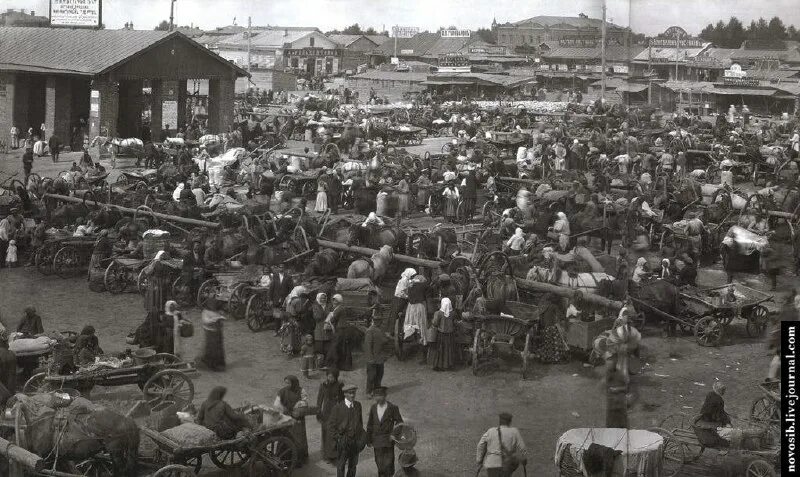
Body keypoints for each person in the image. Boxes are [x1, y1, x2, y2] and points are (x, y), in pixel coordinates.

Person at [366, 386, 404, 477]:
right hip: (377, 441)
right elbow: (370, 424)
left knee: (388, 464)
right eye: (375, 396)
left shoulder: (393, 408)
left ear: (385, 396)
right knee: (379, 464)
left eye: (380, 395)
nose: (377, 398)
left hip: (388, 441)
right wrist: (368, 440)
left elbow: (400, 422)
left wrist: (394, 435)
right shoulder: (373, 408)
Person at [329, 384, 365, 477]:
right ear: (345, 394)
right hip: (343, 442)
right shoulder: (338, 408)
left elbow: (360, 422)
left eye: (354, 393)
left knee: (353, 465)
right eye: (350, 393)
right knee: (341, 465)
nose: (352, 395)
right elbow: (331, 426)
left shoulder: (358, 405)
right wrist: (338, 438)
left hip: (355, 441)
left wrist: (361, 437)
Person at [476, 412, 528, 477]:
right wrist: (524, 460)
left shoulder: (490, 431)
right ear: (510, 422)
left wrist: (479, 461)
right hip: (507, 465)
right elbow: (523, 448)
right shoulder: (514, 431)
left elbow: (480, 445)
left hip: (491, 464)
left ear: (499, 421)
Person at [274, 375, 310, 465]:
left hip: (297, 419)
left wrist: (297, 407)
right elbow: (276, 404)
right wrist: (282, 409)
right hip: (286, 419)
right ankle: (285, 458)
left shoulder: (301, 391)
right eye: (286, 383)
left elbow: (305, 402)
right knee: (286, 437)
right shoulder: (282, 391)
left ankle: (299, 460)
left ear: (294, 383)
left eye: (289, 383)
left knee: (298, 439)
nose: (287, 385)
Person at [317, 368, 345, 463]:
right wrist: (318, 411)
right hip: (325, 411)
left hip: (336, 411)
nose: (330, 378)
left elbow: (343, 400)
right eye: (328, 376)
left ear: (336, 377)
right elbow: (320, 399)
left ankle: (334, 455)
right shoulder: (323, 385)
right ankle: (327, 455)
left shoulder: (340, 385)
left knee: (334, 433)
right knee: (325, 432)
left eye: (332, 377)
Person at [405, 274, 429, 364]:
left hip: (410, 307)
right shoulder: (423, 285)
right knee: (422, 328)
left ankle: (410, 336)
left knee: (412, 325)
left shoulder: (410, 285)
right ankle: (424, 355)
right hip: (419, 307)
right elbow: (428, 286)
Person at [364, 314, 390, 395]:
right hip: (372, 358)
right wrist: (370, 358)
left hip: (380, 357)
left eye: (380, 320)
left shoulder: (381, 329)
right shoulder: (370, 331)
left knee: (379, 374)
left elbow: (384, 340)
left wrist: (388, 337)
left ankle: (377, 389)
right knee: (371, 376)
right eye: (376, 320)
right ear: (373, 321)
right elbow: (368, 346)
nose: (379, 322)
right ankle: (368, 392)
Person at [430, 297, 457, 371]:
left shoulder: (438, 313)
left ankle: (440, 365)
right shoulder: (453, 313)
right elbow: (455, 323)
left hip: (441, 334)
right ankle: (449, 365)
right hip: (450, 335)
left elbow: (435, 323)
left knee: (440, 349)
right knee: (449, 349)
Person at [199, 303, 226, 371]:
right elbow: (206, 321)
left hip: (218, 331)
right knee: (212, 348)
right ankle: (212, 365)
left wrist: (221, 320)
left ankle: (219, 363)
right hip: (210, 331)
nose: (214, 306)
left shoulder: (218, 311)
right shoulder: (205, 312)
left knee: (218, 348)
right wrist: (216, 319)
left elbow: (222, 319)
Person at [389, 268, 416, 335]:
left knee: (400, 314)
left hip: (402, 299)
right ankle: (391, 331)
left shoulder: (408, 280)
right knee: (395, 314)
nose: (413, 277)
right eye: (412, 275)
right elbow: (401, 292)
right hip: (399, 299)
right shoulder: (403, 280)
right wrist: (407, 297)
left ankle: (399, 330)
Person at [0, 336, 17, 407]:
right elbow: (12, 375)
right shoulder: (11, 353)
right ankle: (10, 402)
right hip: (9, 358)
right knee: (10, 378)